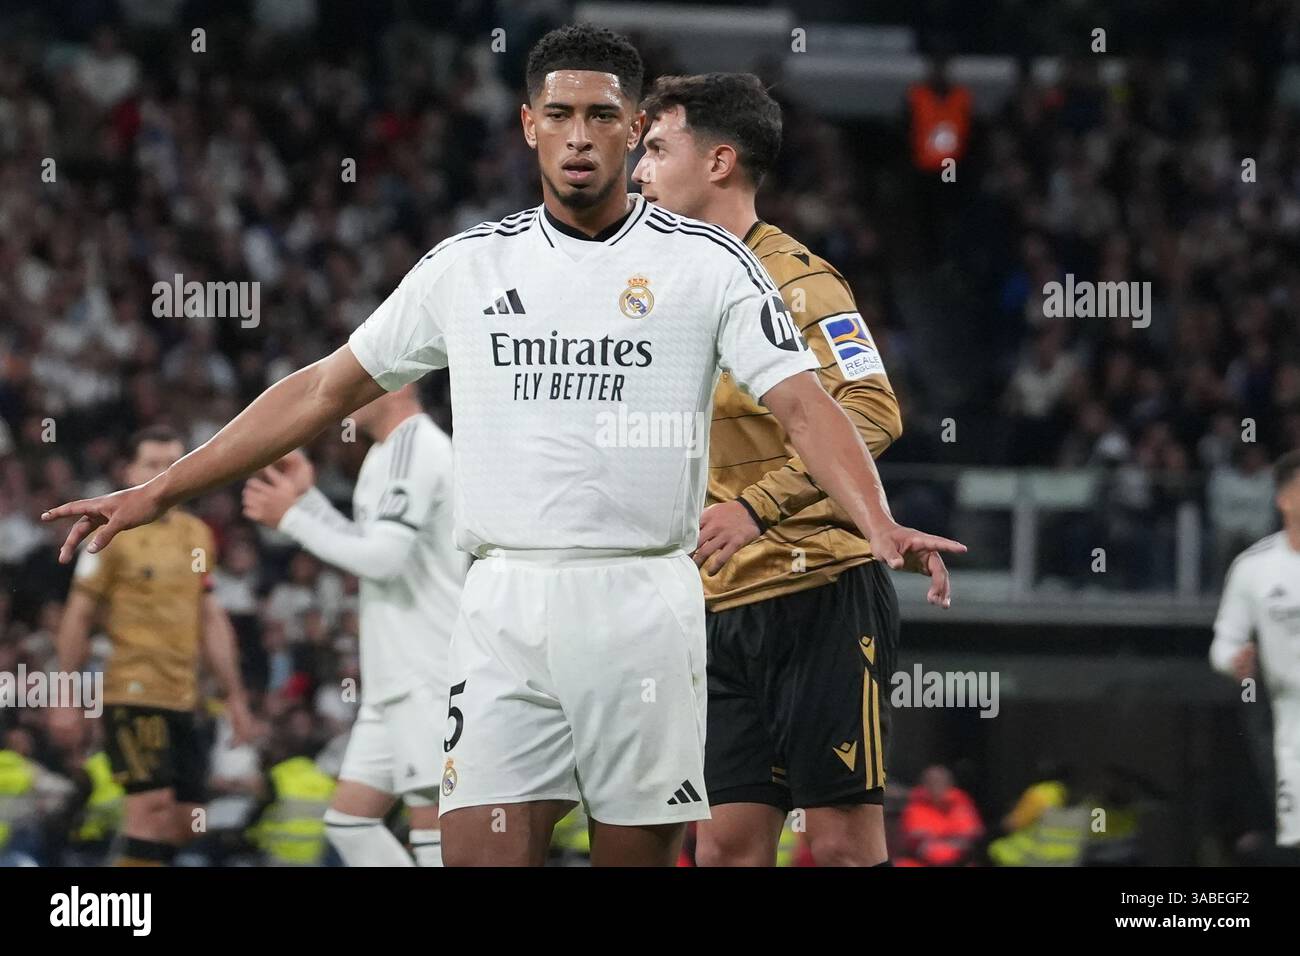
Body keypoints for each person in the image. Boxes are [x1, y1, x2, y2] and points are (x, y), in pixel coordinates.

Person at [41, 25, 964, 867]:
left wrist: (876, 522)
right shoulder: (467, 267)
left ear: (632, 127)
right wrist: (162, 490)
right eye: (558, 113)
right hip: (502, 603)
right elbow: (325, 388)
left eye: (603, 116)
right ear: (528, 125)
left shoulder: (712, 265)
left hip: (644, 601)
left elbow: (811, 404)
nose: (579, 135)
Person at [633, 72, 951, 866]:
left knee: (841, 842)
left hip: (819, 594)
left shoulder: (800, 280)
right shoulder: (661, 288)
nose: (638, 170)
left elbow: (872, 410)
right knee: (726, 846)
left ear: (719, 163)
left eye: (657, 149)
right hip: (714, 604)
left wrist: (758, 506)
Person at [241, 384, 467, 866]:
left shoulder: (416, 447)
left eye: (366, 375)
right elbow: (367, 546)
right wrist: (306, 502)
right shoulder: (385, 454)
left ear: (402, 382)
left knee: (431, 825)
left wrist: (291, 521)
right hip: (393, 680)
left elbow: (382, 560)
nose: (348, 387)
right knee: (350, 823)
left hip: (427, 673)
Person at [51, 425, 255, 865]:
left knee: (187, 819)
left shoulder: (197, 535)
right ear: (130, 469)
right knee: (150, 809)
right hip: (133, 692)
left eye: (173, 463)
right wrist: (65, 694)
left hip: (185, 697)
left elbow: (210, 616)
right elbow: (79, 614)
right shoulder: (111, 531)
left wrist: (234, 695)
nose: (164, 473)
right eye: (152, 464)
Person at [1210, 449, 1300, 861]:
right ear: (1284, 499)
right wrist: (1235, 660)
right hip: (1279, 711)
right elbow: (1224, 641)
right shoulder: (1253, 567)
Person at [896, 765, 984, 866]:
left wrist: (939, 838)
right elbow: (917, 836)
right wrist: (949, 837)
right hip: (923, 862)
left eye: (940, 782)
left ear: (949, 784)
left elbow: (971, 833)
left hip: (959, 862)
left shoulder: (961, 804)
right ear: (924, 785)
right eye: (931, 782)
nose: (936, 786)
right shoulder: (914, 807)